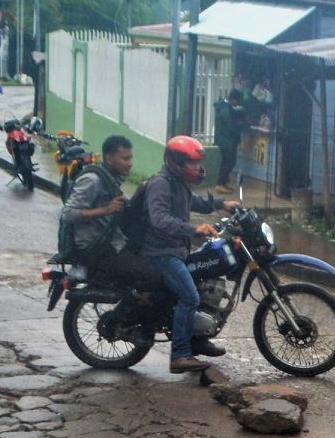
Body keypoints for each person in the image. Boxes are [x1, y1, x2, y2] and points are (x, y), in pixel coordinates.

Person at [141, 135, 238, 374]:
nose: (197, 168)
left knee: (207, 278)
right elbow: (160, 219)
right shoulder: (161, 184)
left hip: (176, 249)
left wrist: (221, 204)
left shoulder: (178, 182)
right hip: (161, 252)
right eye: (192, 163)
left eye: (198, 162)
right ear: (175, 161)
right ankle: (180, 355)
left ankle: (197, 340)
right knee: (189, 298)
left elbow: (193, 202)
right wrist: (195, 229)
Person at [61, 134, 161, 290]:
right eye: (125, 159)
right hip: (96, 247)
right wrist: (106, 210)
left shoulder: (111, 178)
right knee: (153, 274)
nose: (130, 163)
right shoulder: (93, 179)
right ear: (109, 159)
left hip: (111, 241)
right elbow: (68, 213)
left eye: (131, 158)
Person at [213, 88, 245, 193]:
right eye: (238, 101)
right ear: (234, 99)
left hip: (223, 140)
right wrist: (241, 126)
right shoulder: (226, 110)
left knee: (226, 162)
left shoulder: (222, 107)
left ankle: (223, 183)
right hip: (227, 141)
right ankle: (220, 184)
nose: (238, 103)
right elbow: (231, 127)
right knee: (229, 162)